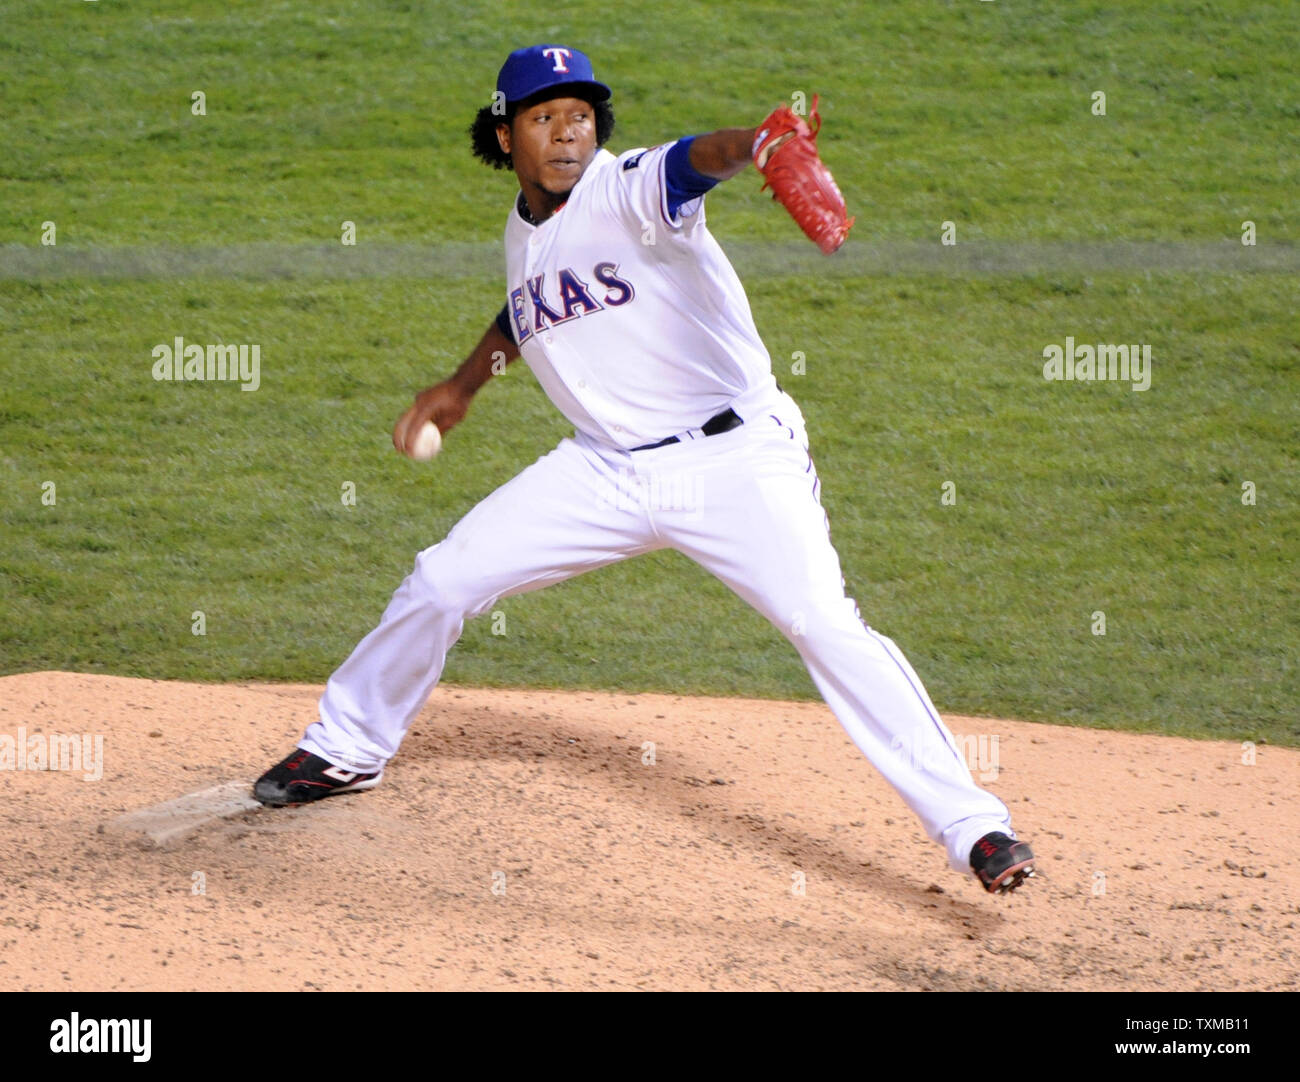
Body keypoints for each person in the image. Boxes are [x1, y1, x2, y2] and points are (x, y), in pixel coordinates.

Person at [253, 44, 1037, 895]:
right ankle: (345, 750)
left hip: (735, 459)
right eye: (545, 118)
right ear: (503, 132)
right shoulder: (523, 228)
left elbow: (698, 161)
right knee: (443, 579)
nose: (566, 135)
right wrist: (463, 386)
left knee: (822, 621)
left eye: (580, 117)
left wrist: (761, 143)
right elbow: (528, 309)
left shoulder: (628, 186)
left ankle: (975, 826)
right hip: (604, 473)